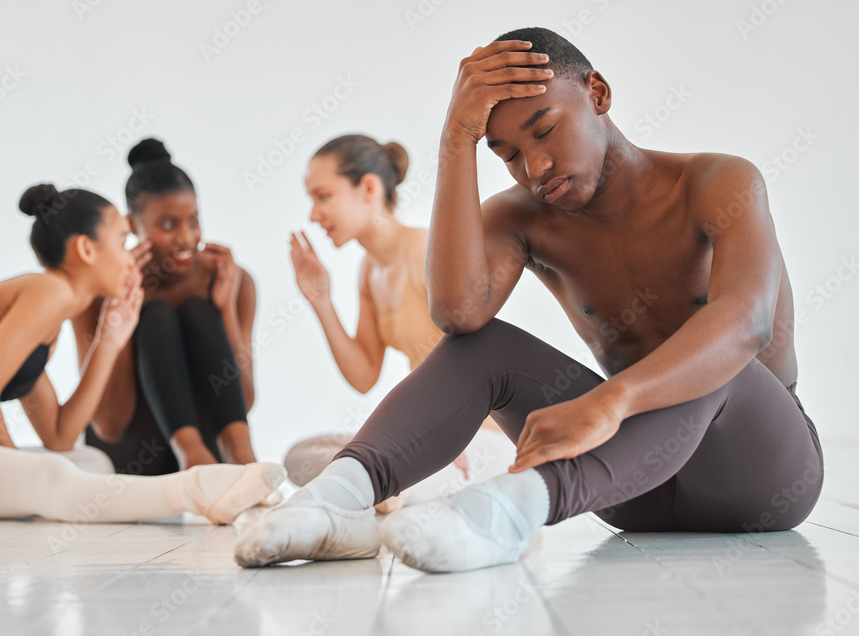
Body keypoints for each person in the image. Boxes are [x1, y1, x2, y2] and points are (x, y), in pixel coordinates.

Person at [234, 27, 823, 572]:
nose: (535, 166)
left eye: (544, 130)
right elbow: (457, 314)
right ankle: (335, 501)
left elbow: (745, 323)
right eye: (507, 154)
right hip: (631, 486)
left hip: (758, 475)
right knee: (480, 344)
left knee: (714, 352)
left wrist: (611, 400)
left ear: (597, 93)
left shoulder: (718, 182)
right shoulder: (523, 218)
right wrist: (456, 138)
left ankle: (503, 512)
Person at [0, 184, 283, 524]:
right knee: (47, 475)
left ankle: (204, 490)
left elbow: (59, 435)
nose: (131, 256)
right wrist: (16, 472)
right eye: (122, 240)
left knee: (90, 460)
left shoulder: (48, 315)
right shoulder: (49, 291)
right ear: (85, 249)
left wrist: (109, 341)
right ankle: (199, 491)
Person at [285, 134, 514, 512]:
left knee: (356, 468)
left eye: (323, 196)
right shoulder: (369, 271)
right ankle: (383, 484)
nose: (313, 214)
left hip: (480, 432)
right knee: (300, 457)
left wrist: (446, 431)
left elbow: (480, 355)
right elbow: (364, 375)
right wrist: (321, 300)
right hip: (424, 431)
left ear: (368, 188)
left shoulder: (424, 250)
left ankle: (386, 484)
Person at [73, 138, 261, 474]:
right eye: (169, 225)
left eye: (194, 221)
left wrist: (225, 310)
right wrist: (120, 302)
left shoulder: (231, 279)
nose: (187, 238)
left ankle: (238, 460)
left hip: (214, 459)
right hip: (132, 460)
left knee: (198, 312)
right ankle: (189, 453)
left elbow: (243, 402)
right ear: (132, 225)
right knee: (156, 316)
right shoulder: (98, 291)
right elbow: (108, 425)